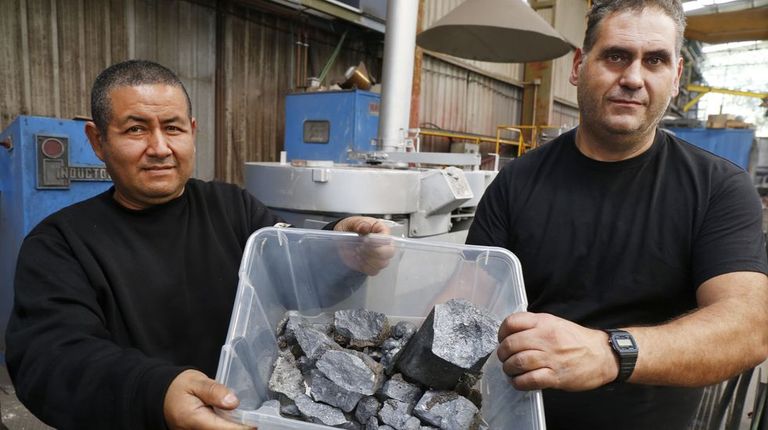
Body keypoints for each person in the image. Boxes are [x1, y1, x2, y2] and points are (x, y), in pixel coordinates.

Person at [5, 59, 392, 430]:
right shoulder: (60, 244)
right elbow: (50, 358)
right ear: (98, 140)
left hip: (245, 416)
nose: (159, 147)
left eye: (172, 128)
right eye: (136, 129)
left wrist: (340, 251)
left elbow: (295, 272)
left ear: (192, 130)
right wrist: (156, 393)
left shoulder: (231, 208)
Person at [466, 1, 768, 429]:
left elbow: (748, 329)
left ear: (676, 77)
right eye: (615, 56)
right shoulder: (516, 183)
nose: (632, 78)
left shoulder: (718, 188)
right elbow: (463, 309)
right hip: (515, 420)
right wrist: (366, 262)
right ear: (578, 65)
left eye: (655, 60)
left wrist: (610, 353)